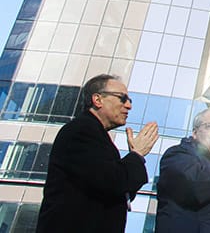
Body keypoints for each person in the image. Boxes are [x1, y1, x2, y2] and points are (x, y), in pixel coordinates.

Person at [36, 74, 159, 233]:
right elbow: (112, 182)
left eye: (130, 100)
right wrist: (137, 155)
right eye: (122, 98)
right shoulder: (81, 131)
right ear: (98, 100)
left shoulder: (96, 135)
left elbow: (117, 189)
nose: (128, 106)